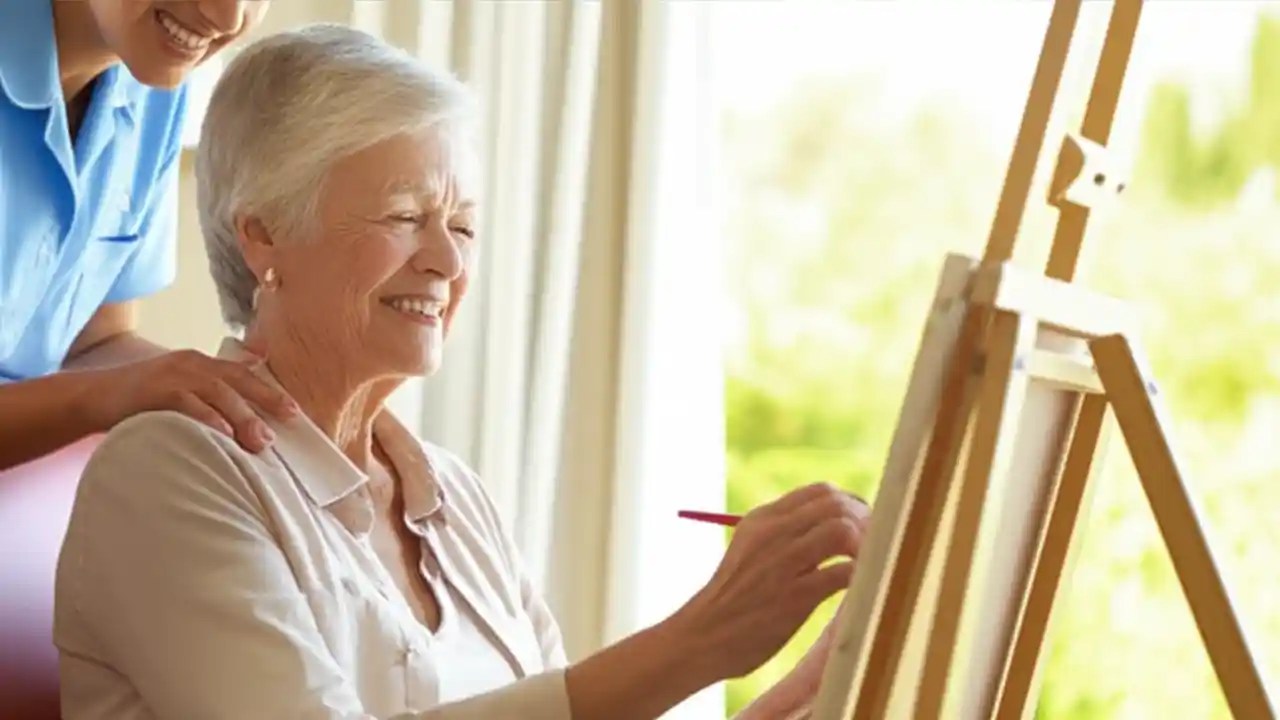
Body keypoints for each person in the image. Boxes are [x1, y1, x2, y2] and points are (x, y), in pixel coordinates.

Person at [51, 24, 874, 720]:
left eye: (464, 227)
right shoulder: (171, 472)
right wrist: (701, 641)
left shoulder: (454, 498)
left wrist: (798, 697)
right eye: (406, 216)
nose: (447, 261)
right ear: (264, 234)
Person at [0, 0, 296, 473]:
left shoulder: (151, 84)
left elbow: (93, 342)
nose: (228, 18)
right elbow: (105, 386)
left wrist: (278, 406)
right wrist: (103, 395)